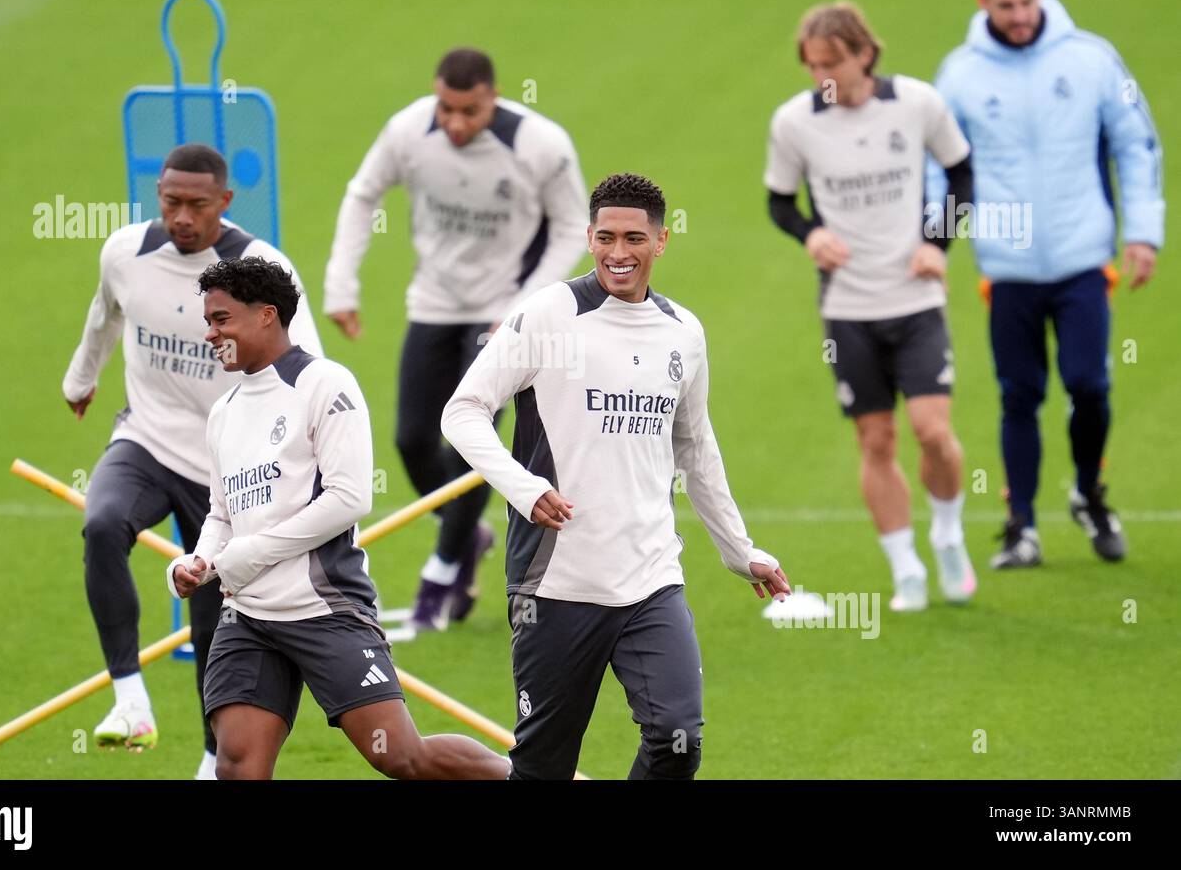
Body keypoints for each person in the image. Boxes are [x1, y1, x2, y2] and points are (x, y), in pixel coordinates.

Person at [441, 173, 790, 780]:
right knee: (543, 766)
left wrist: (741, 551)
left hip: (650, 579)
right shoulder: (549, 313)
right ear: (588, 237)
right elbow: (462, 412)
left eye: (634, 238)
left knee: (677, 739)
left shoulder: (683, 331)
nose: (617, 253)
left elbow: (695, 445)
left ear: (662, 240)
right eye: (605, 238)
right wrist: (526, 491)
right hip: (555, 585)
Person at [168, 257, 510, 780]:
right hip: (248, 617)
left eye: (221, 320)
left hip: (323, 608)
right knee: (237, 765)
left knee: (399, 756)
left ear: (266, 316)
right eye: (208, 321)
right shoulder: (225, 412)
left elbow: (350, 498)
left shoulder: (325, 384)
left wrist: (252, 553)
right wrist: (197, 560)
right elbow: (222, 514)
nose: (209, 333)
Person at [61, 143, 322, 778]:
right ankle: (130, 701)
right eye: (171, 202)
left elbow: (307, 364)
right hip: (147, 438)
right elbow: (105, 315)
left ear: (224, 203)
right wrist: (80, 379)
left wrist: (305, 456)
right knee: (101, 525)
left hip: (228, 471)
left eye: (197, 206)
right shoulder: (125, 252)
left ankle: (212, 760)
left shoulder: (261, 268)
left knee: (214, 624)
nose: (182, 216)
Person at [323, 47, 589, 629]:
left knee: (469, 438)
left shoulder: (540, 145)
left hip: (500, 310)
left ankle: (444, 573)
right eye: (446, 108)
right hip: (434, 302)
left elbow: (574, 224)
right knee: (412, 438)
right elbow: (363, 193)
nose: (456, 123)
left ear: (493, 98)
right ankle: (469, 534)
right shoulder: (408, 130)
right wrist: (341, 283)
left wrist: (523, 310)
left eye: (469, 111)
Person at [929, 0, 1164, 568]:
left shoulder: (1090, 59)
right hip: (1007, 265)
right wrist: (933, 242)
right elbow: (940, 167)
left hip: (1084, 255)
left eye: (1027, 2)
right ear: (984, 4)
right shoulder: (960, 76)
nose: (1019, 15)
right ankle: (1021, 525)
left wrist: (1143, 232)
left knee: (1090, 384)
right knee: (1019, 393)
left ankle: (1089, 494)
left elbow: (1136, 144)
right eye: (1005, 6)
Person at [764, 2, 976, 611]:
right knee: (876, 440)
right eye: (812, 67)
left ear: (865, 54)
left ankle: (948, 532)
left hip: (915, 298)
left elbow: (963, 173)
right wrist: (811, 234)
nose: (822, 78)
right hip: (848, 308)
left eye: (832, 64)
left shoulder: (916, 103)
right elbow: (779, 203)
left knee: (933, 431)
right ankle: (906, 566)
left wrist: (939, 242)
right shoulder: (793, 123)